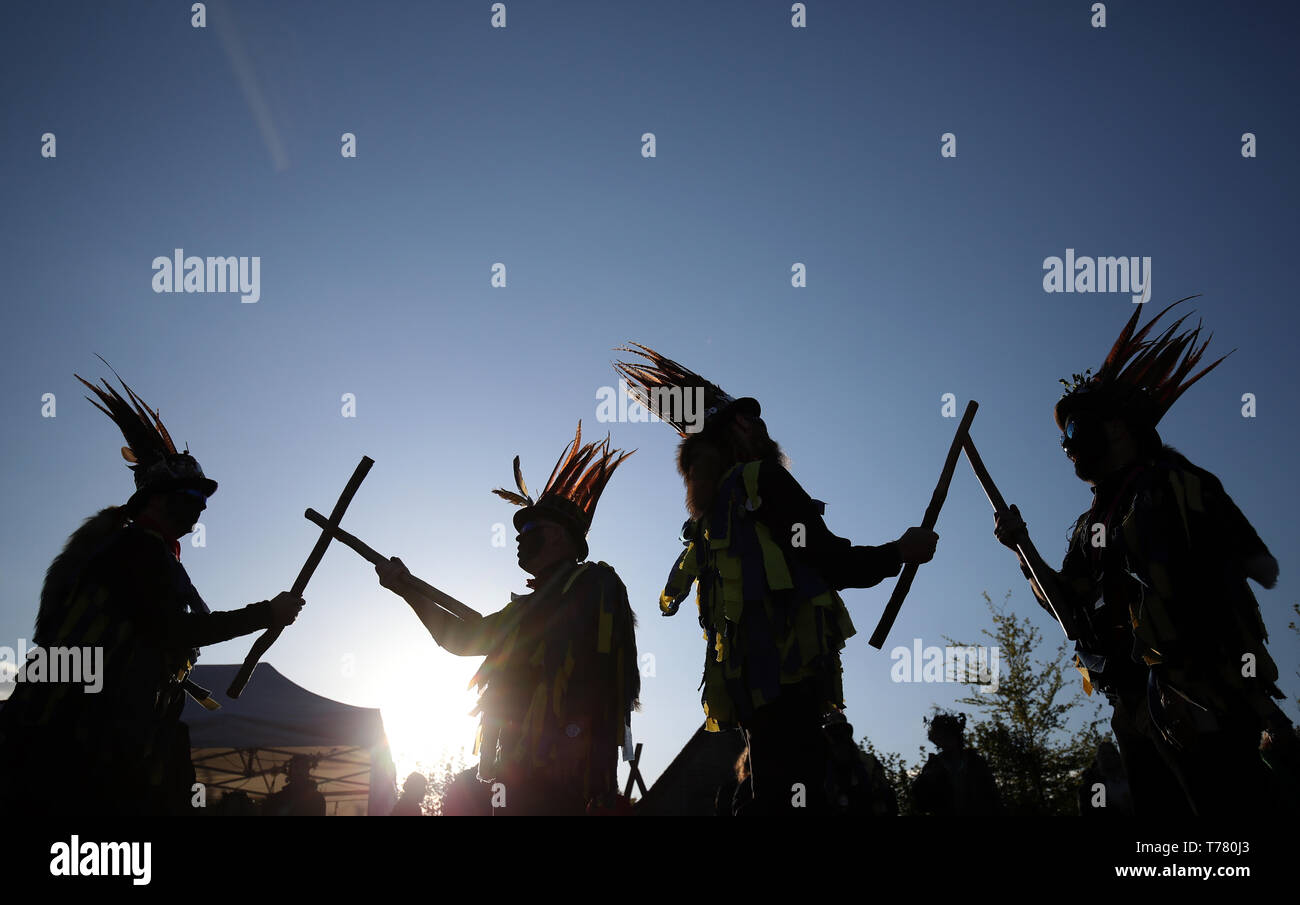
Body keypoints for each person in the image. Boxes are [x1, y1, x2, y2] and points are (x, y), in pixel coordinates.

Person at [992, 298, 1295, 816]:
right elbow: (1069, 607)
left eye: (1074, 431)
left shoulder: (1175, 486)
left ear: (1116, 427)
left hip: (1198, 694)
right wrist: (1024, 551)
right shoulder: (1091, 525)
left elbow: (1251, 571)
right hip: (1132, 703)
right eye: (1062, 439)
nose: (1066, 448)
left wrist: (1202, 680)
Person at [614, 343, 937, 815]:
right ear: (736, 431)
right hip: (787, 676)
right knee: (794, 793)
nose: (759, 422)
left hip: (753, 690)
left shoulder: (713, 514)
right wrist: (898, 552)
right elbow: (828, 559)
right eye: (746, 417)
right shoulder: (760, 480)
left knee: (775, 791)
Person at [0, 364, 302, 816]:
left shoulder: (143, 552)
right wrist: (265, 613)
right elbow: (174, 631)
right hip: (87, 739)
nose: (198, 510)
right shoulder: (132, 553)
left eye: (201, 501)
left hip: (112, 731)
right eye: (189, 499)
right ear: (156, 499)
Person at [376, 423, 639, 815]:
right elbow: (463, 639)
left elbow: (599, 672)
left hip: (571, 773)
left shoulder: (596, 584)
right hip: (517, 776)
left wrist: (572, 735)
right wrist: (408, 590)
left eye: (530, 528)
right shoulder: (523, 611)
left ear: (560, 537)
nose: (519, 537)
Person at [910, 711, 1000, 816]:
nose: (943, 741)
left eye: (946, 737)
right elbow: (921, 801)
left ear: (955, 736)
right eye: (939, 738)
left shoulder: (974, 761)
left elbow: (992, 795)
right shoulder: (934, 765)